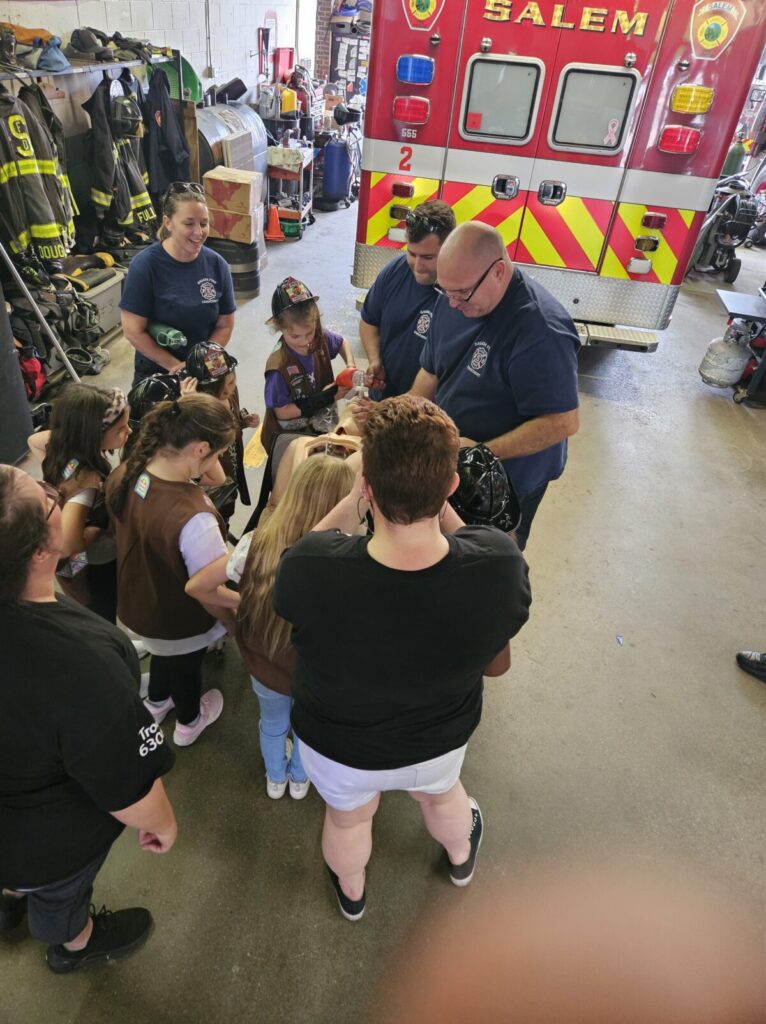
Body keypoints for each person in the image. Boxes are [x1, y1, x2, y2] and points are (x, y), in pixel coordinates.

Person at [273, 396, 532, 920]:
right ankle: (459, 860)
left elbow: (302, 554)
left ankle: (352, 894)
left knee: (348, 820)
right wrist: (433, 499)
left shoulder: (313, 567)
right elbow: (474, 544)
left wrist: (356, 500)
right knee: (444, 798)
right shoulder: (500, 569)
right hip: (438, 740)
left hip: (338, 746)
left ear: (368, 486)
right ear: (451, 485)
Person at [0, 465, 176, 974]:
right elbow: (127, 779)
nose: (58, 495)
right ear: (40, 550)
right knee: (60, 895)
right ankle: (73, 944)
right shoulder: (80, 666)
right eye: (49, 498)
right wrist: (162, 823)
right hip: (47, 838)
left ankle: (11, 896)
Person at [185, 455, 357, 800]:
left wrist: (242, 603)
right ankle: (300, 779)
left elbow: (198, 586)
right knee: (308, 730)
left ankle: (276, 778)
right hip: (316, 676)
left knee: (272, 723)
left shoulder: (257, 543)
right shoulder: (352, 559)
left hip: (264, 665)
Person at [410, 221, 580, 549]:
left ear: (498, 271)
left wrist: (480, 453)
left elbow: (563, 421)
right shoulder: (454, 296)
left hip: (509, 476)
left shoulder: (541, 331)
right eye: (446, 291)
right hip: (453, 461)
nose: (453, 303)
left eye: (461, 293)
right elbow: (430, 373)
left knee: (491, 559)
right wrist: (400, 417)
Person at [106, 393, 236, 747]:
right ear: (200, 449)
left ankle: (157, 701)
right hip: (181, 619)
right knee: (187, 666)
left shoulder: (127, 472)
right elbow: (208, 590)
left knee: (164, 654)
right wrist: (232, 620)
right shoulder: (194, 517)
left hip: (139, 603)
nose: (216, 463)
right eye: (217, 454)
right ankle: (190, 721)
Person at [27, 383, 132, 624]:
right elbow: (68, 546)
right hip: (93, 560)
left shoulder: (61, 450)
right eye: (120, 429)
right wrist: (93, 532)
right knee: (101, 606)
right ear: (92, 435)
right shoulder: (87, 483)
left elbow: (34, 439)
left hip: (72, 563)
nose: (128, 431)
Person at [119, 181, 236, 385]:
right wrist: (177, 368)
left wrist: (202, 361)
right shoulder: (145, 266)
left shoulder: (218, 265)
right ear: (168, 222)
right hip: (159, 372)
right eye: (189, 224)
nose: (198, 232)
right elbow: (133, 330)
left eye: (204, 223)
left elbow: (225, 324)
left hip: (205, 369)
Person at [360, 200, 456, 399]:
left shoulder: (460, 295)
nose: (417, 266)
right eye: (412, 254)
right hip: (384, 401)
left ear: (449, 248)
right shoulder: (395, 271)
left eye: (428, 257)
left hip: (426, 410)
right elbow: (369, 321)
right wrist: (375, 359)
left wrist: (402, 408)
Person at [261, 276, 356, 457]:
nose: (304, 341)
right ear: (279, 327)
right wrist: (326, 397)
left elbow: (342, 343)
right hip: (292, 436)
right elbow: (282, 412)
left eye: (309, 332)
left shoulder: (319, 337)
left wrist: (350, 366)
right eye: (295, 336)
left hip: (321, 424)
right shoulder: (278, 368)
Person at [185, 341, 260, 527]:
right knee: (218, 516)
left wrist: (243, 420)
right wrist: (190, 407)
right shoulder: (197, 413)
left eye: (232, 382)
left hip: (231, 468)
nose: (228, 391)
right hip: (213, 482)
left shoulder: (230, 393)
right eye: (218, 389)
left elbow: (229, 421)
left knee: (228, 507)